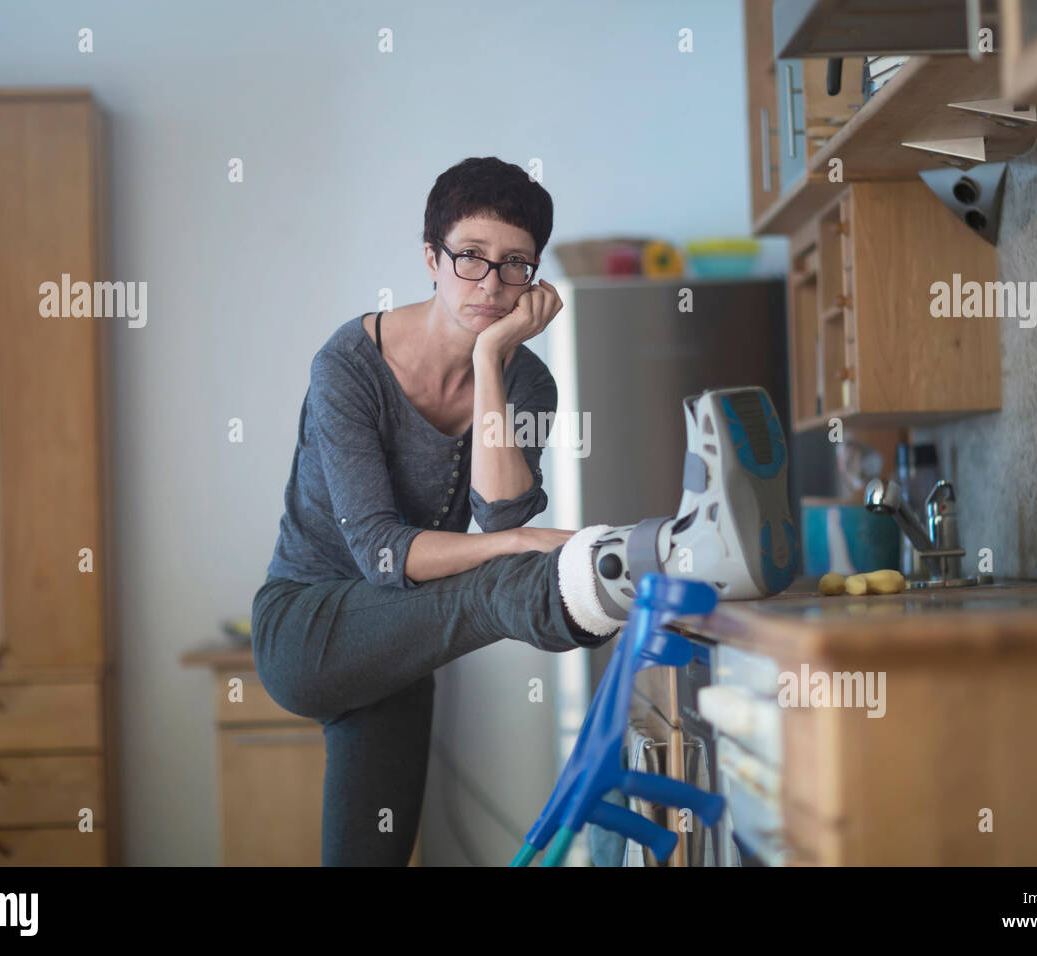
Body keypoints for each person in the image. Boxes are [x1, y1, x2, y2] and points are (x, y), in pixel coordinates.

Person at [252, 156, 794, 866]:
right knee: (485, 591)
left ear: (534, 276)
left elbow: (502, 517)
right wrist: (532, 543)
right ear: (430, 258)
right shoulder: (347, 368)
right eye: (470, 258)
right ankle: (640, 562)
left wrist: (490, 361)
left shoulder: (526, 379)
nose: (491, 283)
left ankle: (631, 560)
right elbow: (386, 557)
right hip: (307, 629)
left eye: (515, 265)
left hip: (397, 652)